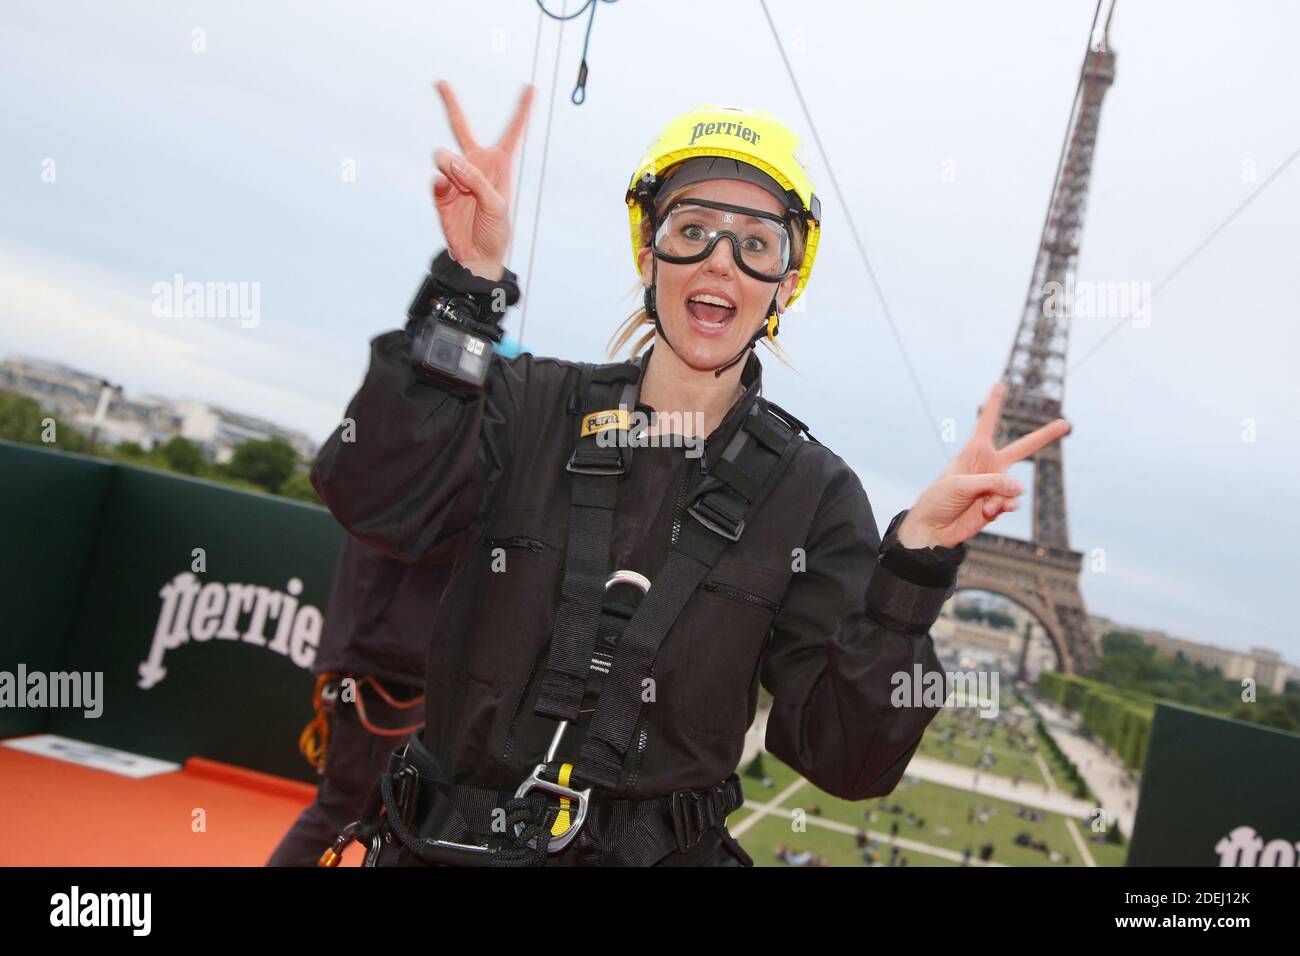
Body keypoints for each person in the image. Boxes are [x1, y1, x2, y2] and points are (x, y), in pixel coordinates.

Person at [310, 80, 1069, 867]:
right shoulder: (528, 404)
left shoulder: (815, 498)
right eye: (693, 228)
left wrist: (914, 570)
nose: (721, 261)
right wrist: (465, 293)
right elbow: (374, 498)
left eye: (756, 243)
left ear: (786, 282)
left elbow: (846, 757)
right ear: (648, 250)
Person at [266, 536, 451, 866]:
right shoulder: (413, 500)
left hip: (393, 664)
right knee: (344, 805)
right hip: (383, 666)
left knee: (400, 811)